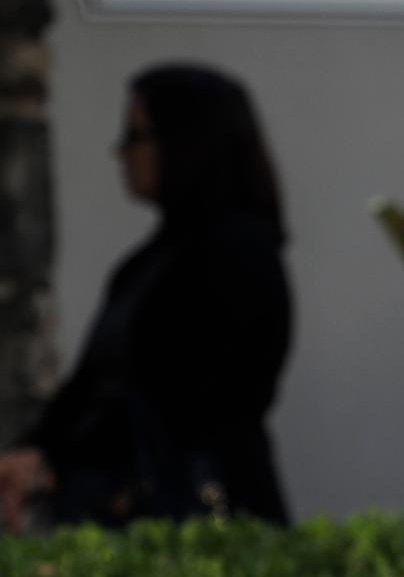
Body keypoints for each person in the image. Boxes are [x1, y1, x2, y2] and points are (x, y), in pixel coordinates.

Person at [0, 64, 293, 530]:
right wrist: (39, 452)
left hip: (196, 521)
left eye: (135, 135)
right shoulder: (154, 261)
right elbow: (94, 385)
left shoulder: (238, 257)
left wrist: (59, 456)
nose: (121, 153)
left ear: (187, 143)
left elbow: (187, 403)